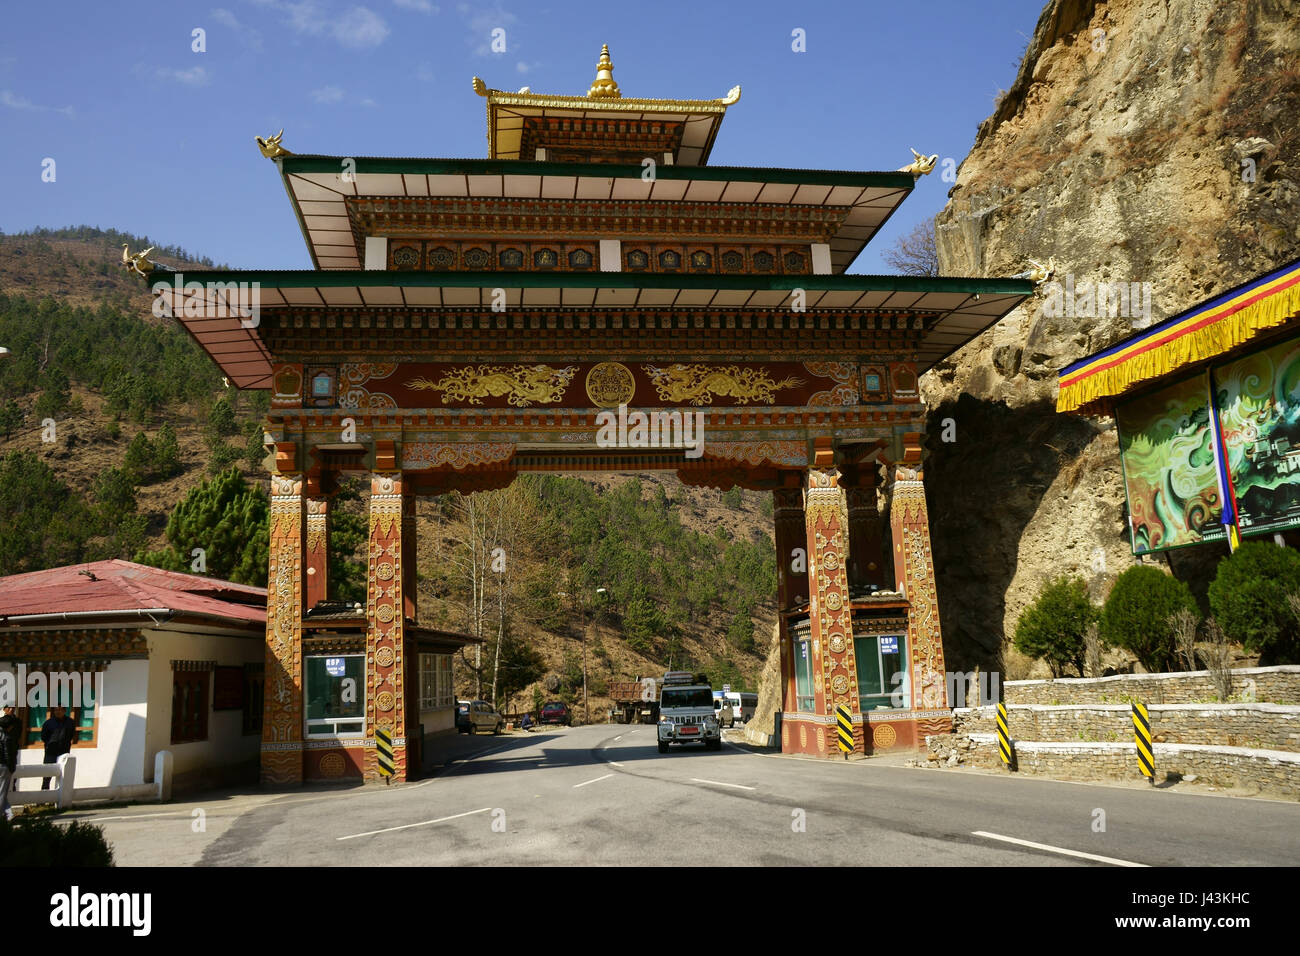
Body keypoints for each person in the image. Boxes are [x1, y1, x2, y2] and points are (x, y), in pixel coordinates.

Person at [41, 707, 78, 791]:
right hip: (51, 752)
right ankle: (43, 797)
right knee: (47, 774)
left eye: (60, 710)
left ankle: (60, 797)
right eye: (56, 710)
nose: (58, 712)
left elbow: (71, 735)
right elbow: (43, 737)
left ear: (64, 711)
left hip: (64, 752)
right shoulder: (48, 723)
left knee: (63, 774)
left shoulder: (70, 722)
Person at [0, 705, 18, 820]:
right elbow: (7, 752)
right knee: (2, 792)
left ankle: (8, 815)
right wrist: (10, 766)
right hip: (4, 765)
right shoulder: (7, 737)